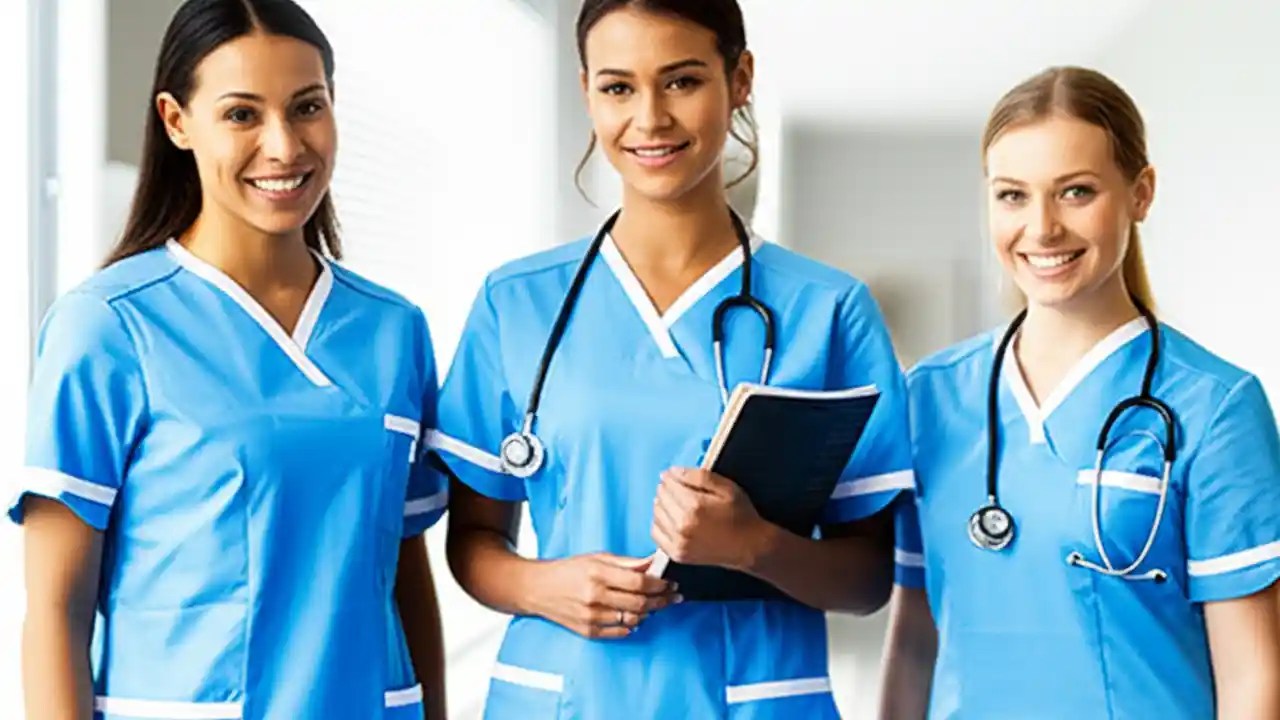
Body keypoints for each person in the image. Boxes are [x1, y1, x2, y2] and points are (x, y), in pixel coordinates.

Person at [431, 1, 914, 718]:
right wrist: (543, 587)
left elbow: (868, 579)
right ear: (586, 90)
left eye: (682, 81)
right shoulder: (517, 303)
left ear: (739, 79)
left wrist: (754, 546)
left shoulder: (828, 310)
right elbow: (473, 542)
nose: (650, 118)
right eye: (618, 87)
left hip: (751, 698)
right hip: (566, 699)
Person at [10, 1, 447, 718]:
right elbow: (57, 610)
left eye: (307, 107)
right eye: (242, 114)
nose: (284, 145)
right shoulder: (109, 326)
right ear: (177, 121)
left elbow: (400, 571)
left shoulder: (392, 330)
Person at [878, 66, 1280, 720]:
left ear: (1140, 194)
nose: (1041, 228)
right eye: (1012, 195)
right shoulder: (930, 398)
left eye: (1076, 192)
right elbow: (916, 640)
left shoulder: (1216, 408)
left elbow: (1253, 678)